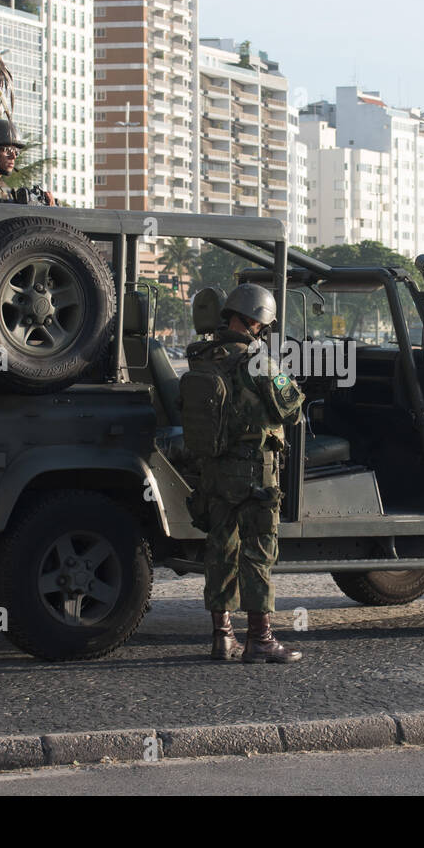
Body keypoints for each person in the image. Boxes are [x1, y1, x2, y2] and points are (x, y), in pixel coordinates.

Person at [184, 283, 305, 663]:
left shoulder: (201, 356)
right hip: (255, 474)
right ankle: (261, 639)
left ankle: (223, 638)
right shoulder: (258, 361)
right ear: (255, 321)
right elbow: (292, 409)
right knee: (258, 552)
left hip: (214, 471)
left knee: (221, 550)